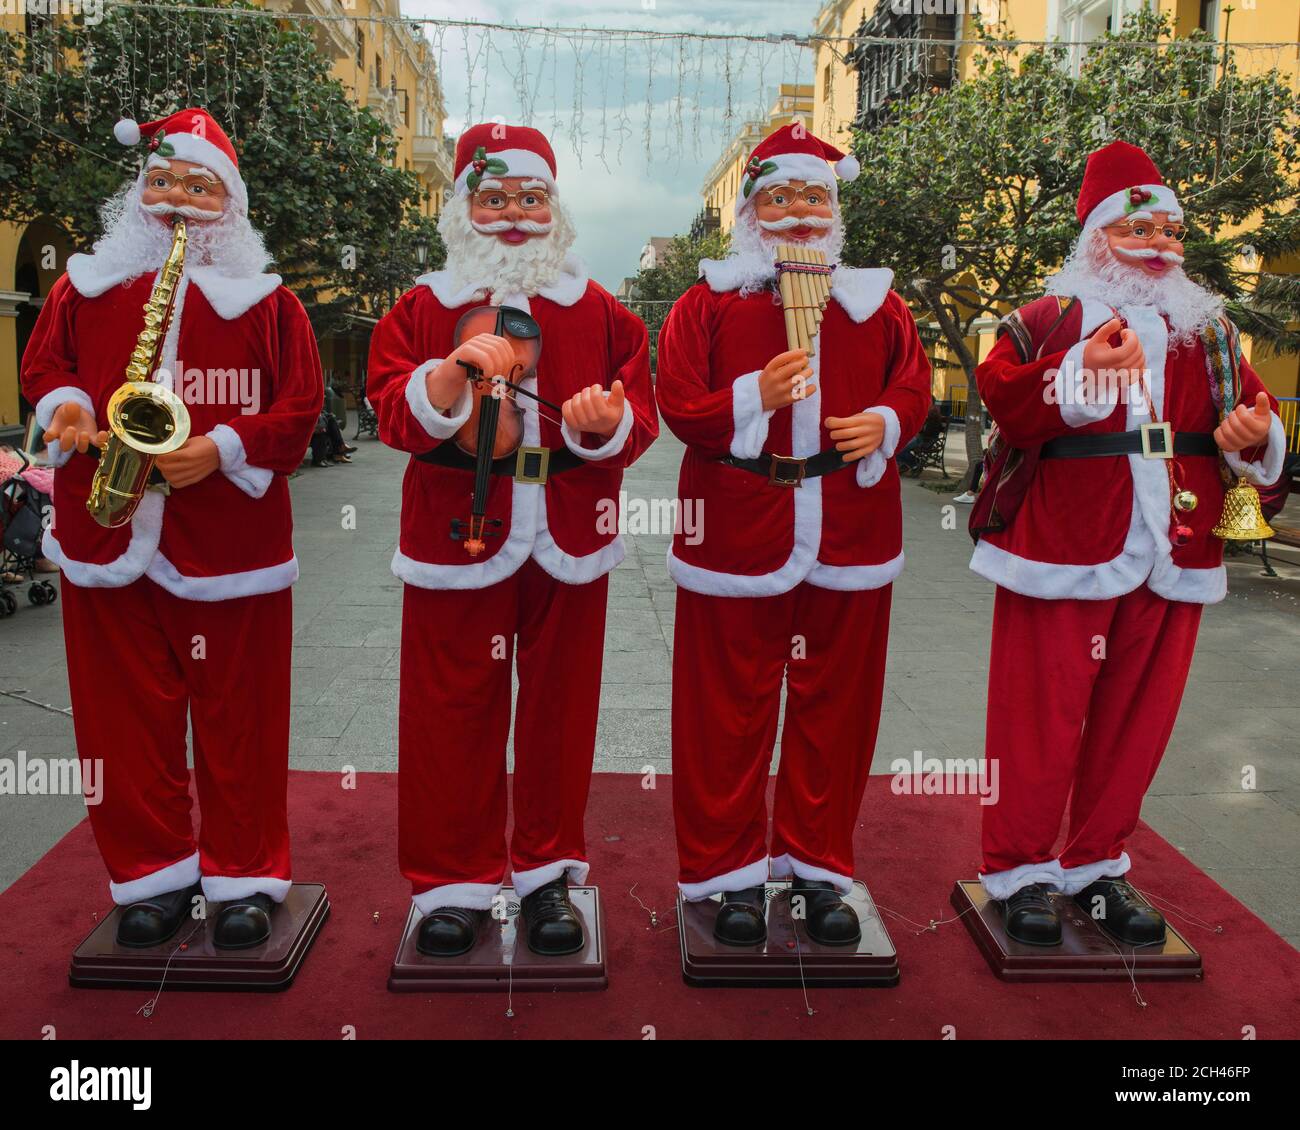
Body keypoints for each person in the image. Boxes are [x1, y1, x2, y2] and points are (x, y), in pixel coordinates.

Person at [969, 141, 1285, 946]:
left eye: (1173, 229)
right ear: (1097, 234)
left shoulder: (1209, 331)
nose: (1162, 243)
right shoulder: (1047, 317)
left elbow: (1249, 420)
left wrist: (1257, 435)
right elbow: (1005, 399)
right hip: (1065, 543)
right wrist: (1079, 369)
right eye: (1139, 226)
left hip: (1179, 543)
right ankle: (1020, 873)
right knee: (1038, 714)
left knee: (1140, 716)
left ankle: (1097, 864)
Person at [22, 108, 323, 949]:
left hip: (229, 537)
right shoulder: (80, 288)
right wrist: (71, 406)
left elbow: (301, 404)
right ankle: (149, 875)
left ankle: (246, 877)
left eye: (197, 186)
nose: (175, 202)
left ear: (228, 202)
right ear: (137, 192)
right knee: (119, 718)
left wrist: (224, 447)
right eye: (160, 184)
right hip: (103, 525)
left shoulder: (271, 303)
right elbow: (45, 366)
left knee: (241, 715)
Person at [367, 123, 658, 958]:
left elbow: (641, 408)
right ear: (465, 209)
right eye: (494, 200)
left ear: (553, 208)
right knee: (447, 710)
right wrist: (449, 378)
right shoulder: (423, 304)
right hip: (454, 532)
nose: (514, 215)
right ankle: (450, 885)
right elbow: (389, 404)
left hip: (570, 530)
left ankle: (548, 877)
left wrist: (608, 427)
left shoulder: (599, 307)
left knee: (561, 714)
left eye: (531, 198)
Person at [656, 124, 932, 947]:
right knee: (722, 714)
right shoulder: (705, 302)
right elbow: (677, 402)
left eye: (815, 197)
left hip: (850, 530)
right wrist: (753, 394)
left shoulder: (877, 302)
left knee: (836, 715)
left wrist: (884, 421)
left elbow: (912, 386)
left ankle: (818, 871)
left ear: (835, 209)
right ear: (750, 212)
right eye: (779, 197)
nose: (800, 213)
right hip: (736, 533)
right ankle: (724, 878)